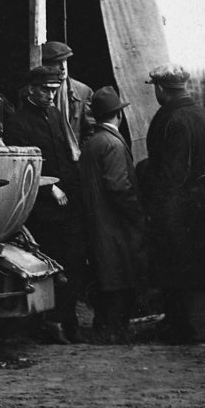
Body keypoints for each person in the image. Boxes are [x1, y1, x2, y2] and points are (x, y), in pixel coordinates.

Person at [142, 64, 205, 343]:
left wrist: (157, 206)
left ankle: (197, 332)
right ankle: (184, 328)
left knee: (184, 268)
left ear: (160, 89)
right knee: (195, 269)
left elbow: (172, 174)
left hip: (181, 204)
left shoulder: (172, 119)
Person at [3, 66, 85, 342]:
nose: (51, 95)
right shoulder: (18, 123)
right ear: (31, 90)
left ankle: (69, 322)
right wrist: (51, 187)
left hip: (66, 206)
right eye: (45, 90)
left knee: (71, 264)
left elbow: (64, 153)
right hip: (43, 208)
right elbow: (25, 164)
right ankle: (51, 325)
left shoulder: (55, 114)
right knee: (49, 264)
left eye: (54, 90)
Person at [78, 86, 144, 341]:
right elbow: (118, 186)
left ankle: (102, 327)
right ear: (119, 115)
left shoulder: (92, 142)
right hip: (115, 222)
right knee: (119, 276)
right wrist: (136, 213)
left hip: (97, 221)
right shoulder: (113, 144)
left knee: (104, 275)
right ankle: (115, 331)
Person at [39, 41, 92, 158]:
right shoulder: (35, 93)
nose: (63, 67)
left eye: (65, 61)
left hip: (74, 160)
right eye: (57, 63)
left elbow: (90, 131)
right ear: (46, 65)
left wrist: (81, 154)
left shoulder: (83, 92)